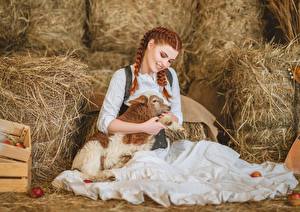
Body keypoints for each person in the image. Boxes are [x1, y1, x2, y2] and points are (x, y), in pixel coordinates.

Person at [97, 26, 183, 149]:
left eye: (170, 61)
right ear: (151, 44)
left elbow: (178, 116)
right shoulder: (123, 77)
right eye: (163, 55)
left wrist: (170, 118)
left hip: (161, 150)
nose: (165, 64)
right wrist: (143, 127)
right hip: (129, 151)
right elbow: (104, 123)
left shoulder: (171, 75)